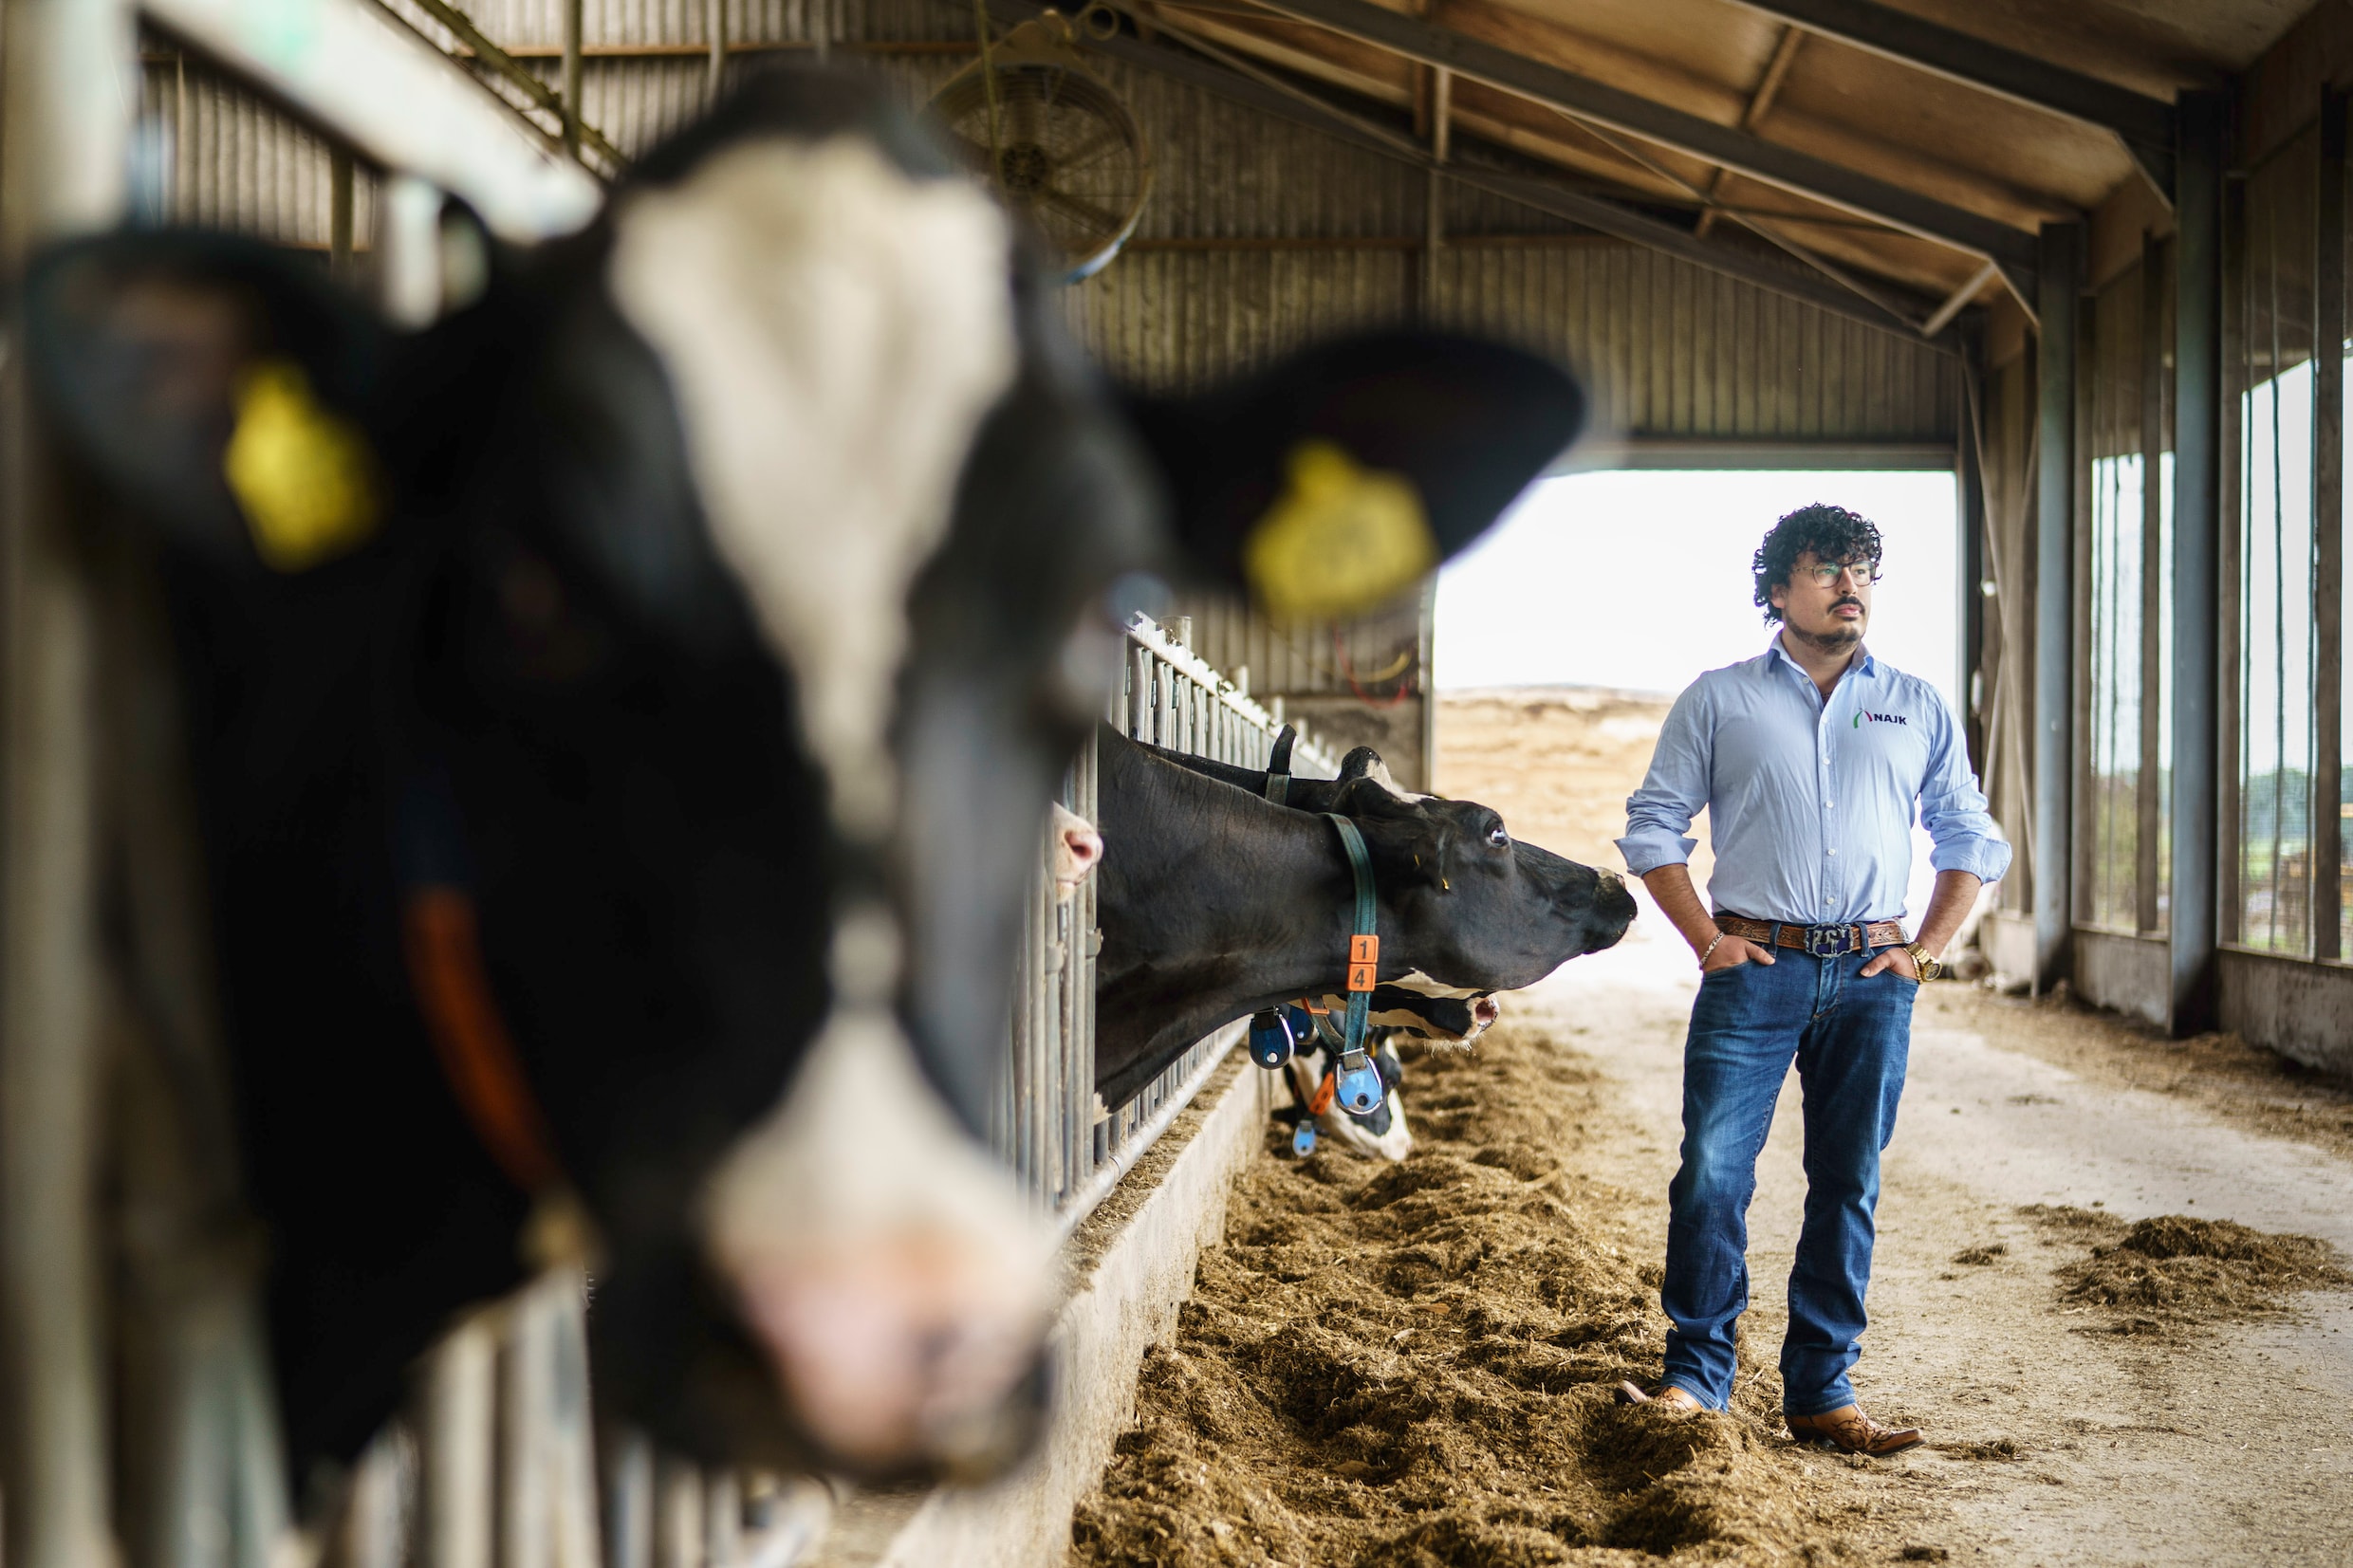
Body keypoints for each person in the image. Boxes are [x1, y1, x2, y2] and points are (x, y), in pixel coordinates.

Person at [1611, 502, 2010, 1455]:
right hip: (1753, 969)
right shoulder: (1718, 700)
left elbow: (1970, 837)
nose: (1850, 586)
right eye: (1828, 569)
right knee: (1711, 1172)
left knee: (1846, 1179)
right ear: (1777, 589)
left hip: (1872, 975)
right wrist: (1706, 939)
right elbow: (1651, 829)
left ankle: (1821, 1392)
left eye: (1862, 571)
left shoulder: (1912, 703)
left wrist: (1922, 951)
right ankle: (1694, 1380)